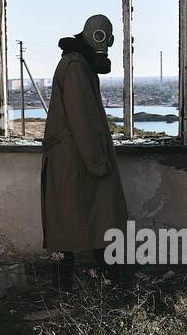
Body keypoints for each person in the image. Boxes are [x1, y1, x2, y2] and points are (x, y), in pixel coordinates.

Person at [41, 15, 129, 290]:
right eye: (100, 36)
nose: (104, 42)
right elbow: (84, 120)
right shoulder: (77, 66)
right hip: (77, 162)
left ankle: (69, 286)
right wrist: (98, 162)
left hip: (73, 161)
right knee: (99, 218)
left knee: (72, 223)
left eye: (107, 37)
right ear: (92, 36)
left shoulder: (76, 63)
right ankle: (109, 282)